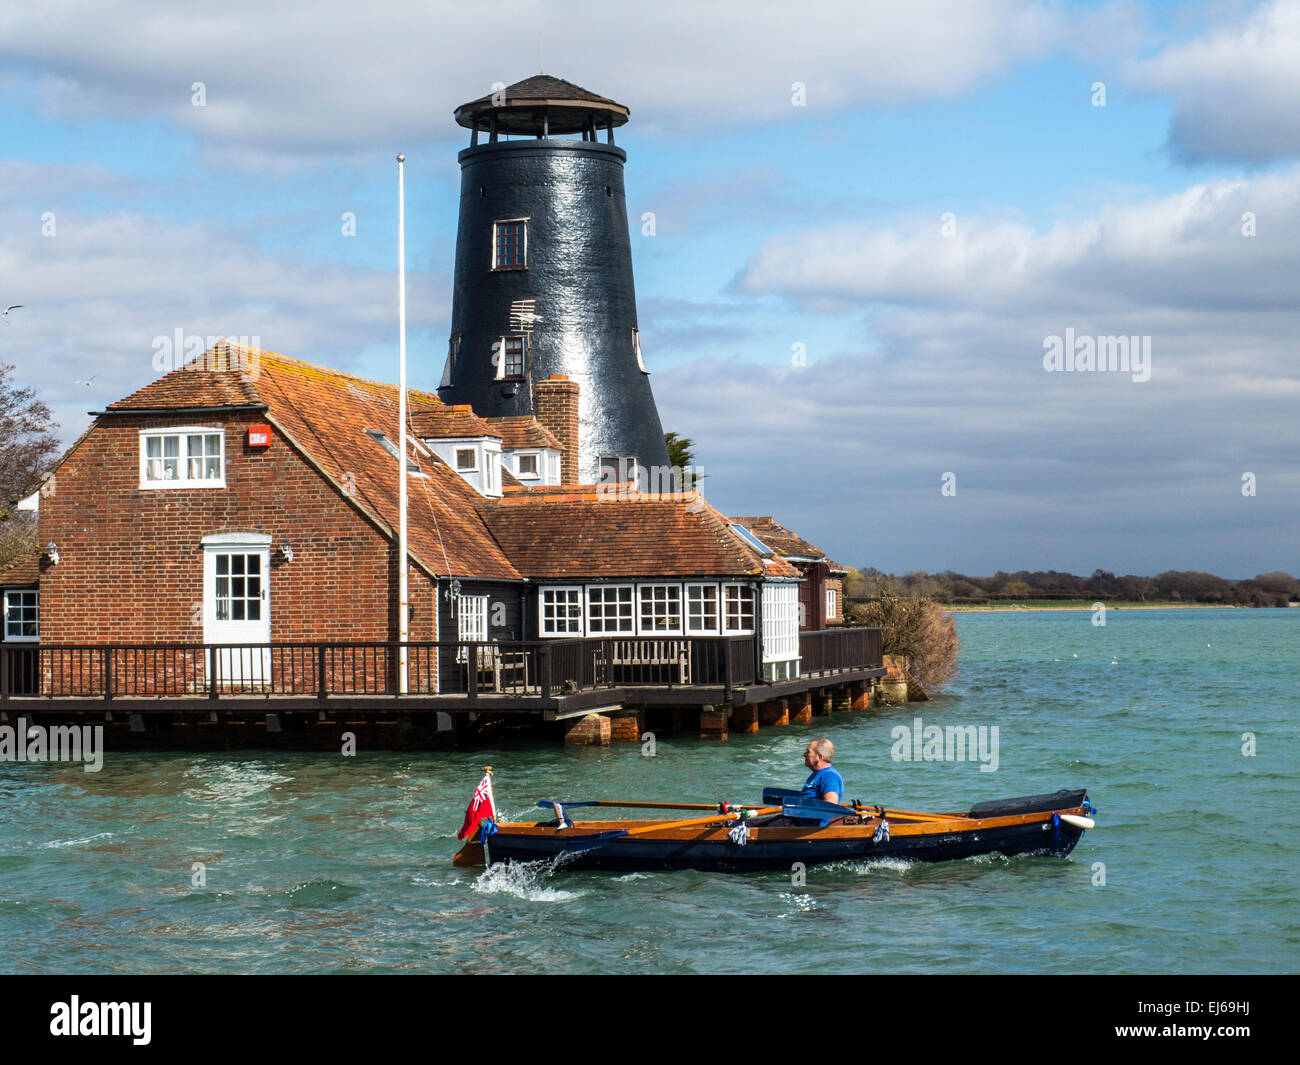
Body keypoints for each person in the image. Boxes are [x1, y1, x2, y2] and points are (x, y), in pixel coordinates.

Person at [801, 738, 843, 805]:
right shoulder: (817, 774)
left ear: (820, 757)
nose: (804, 754)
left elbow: (831, 804)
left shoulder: (829, 776)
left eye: (808, 752)